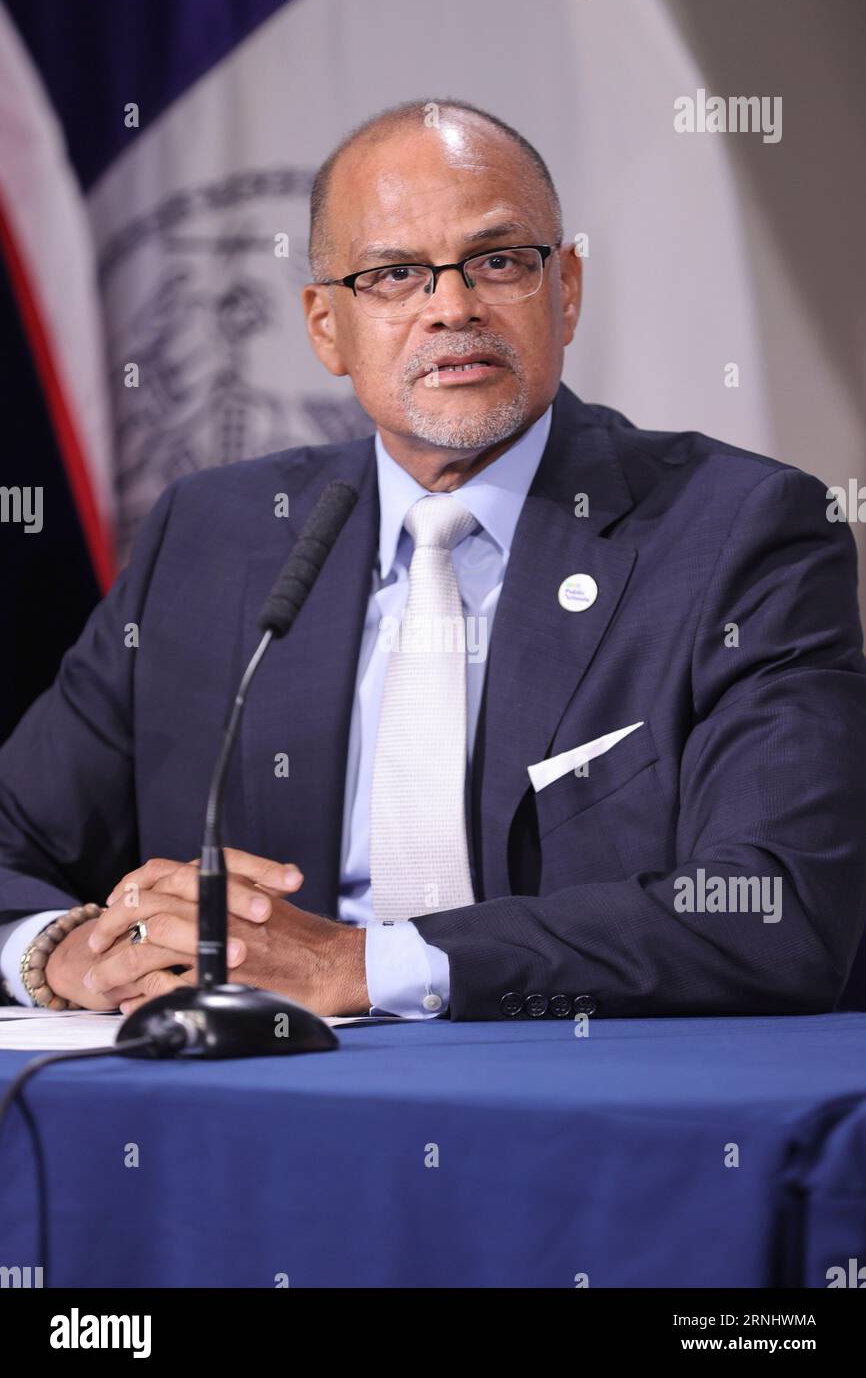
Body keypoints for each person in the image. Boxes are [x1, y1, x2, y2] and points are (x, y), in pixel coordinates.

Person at [2, 98, 865, 1021]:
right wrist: (60, 954)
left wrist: (364, 966)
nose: (450, 305)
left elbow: (779, 905)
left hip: (577, 1101)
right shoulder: (212, 539)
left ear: (565, 289)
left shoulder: (737, 532)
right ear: (325, 327)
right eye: (393, 273)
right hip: (260, 1104)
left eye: (498, 261)